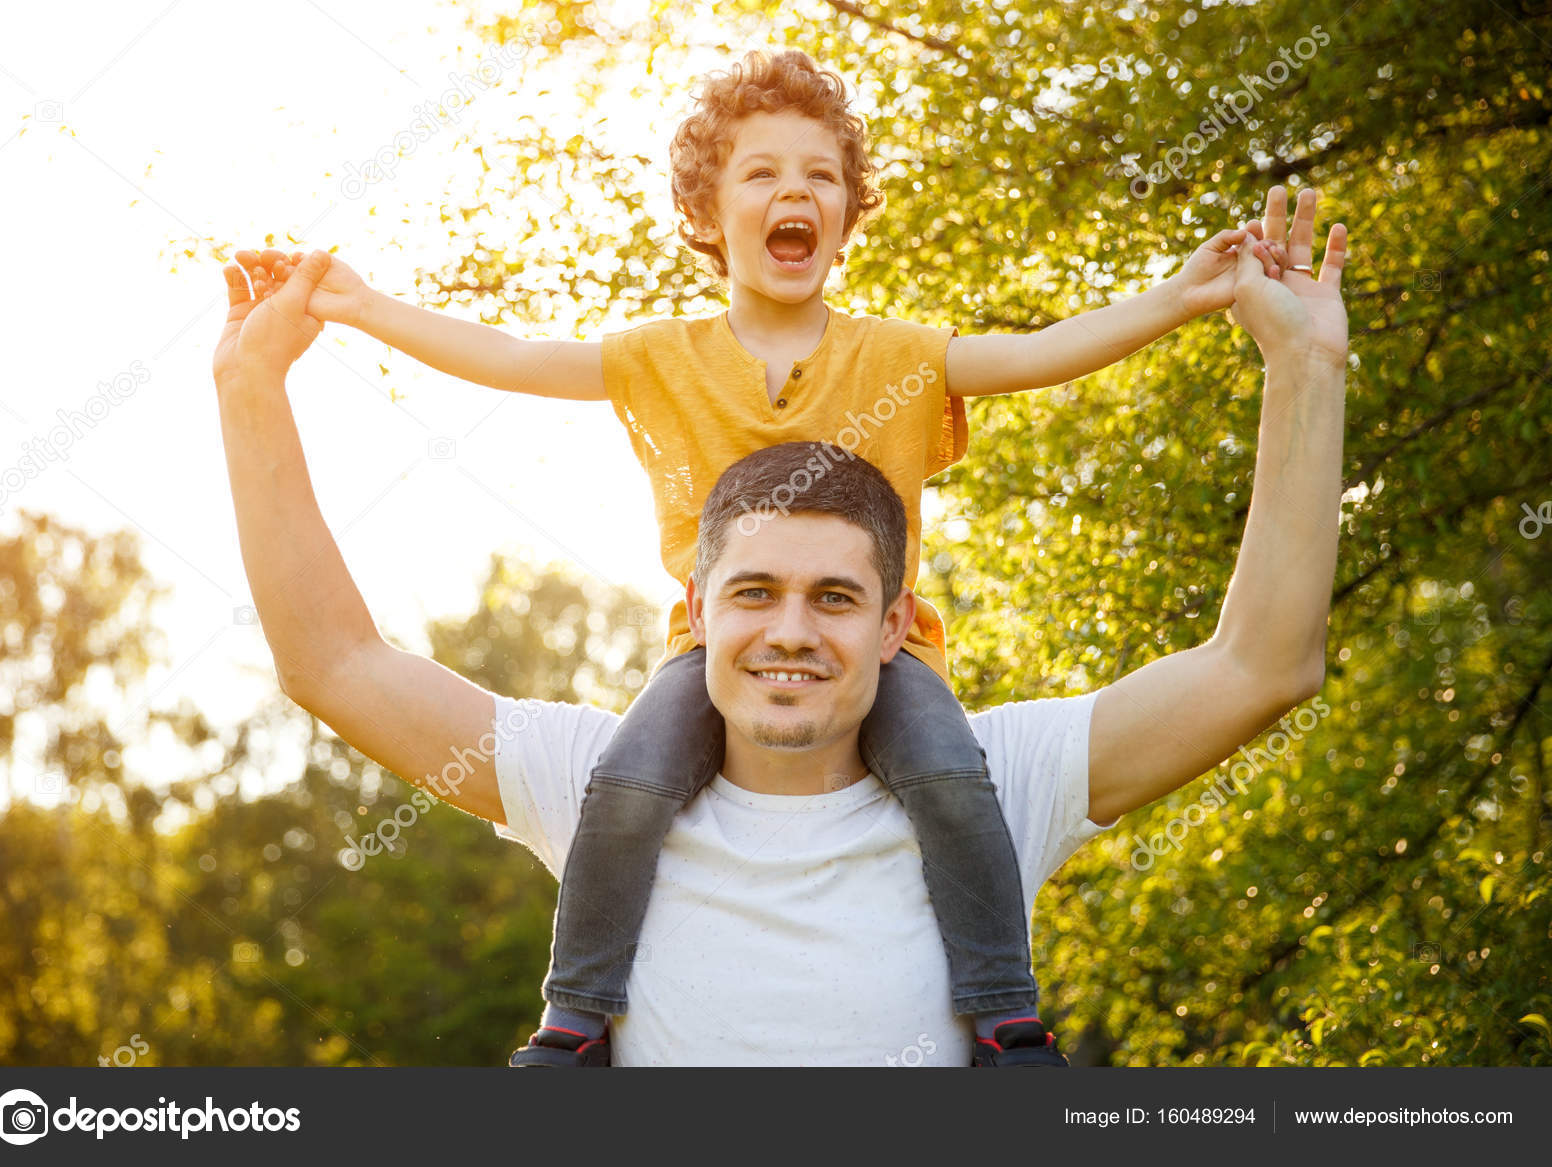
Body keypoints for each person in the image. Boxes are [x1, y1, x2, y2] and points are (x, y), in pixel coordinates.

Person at [235, 49, 1299, 1059]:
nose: (796, 191)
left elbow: (1034, 356)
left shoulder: (896, 356)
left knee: (950, 778)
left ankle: (1004, 1021)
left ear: (843, 219)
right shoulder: (661, 358)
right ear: (707, 213)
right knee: (628, 780)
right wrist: (360, 307)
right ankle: (574, 1020)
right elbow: (512, 359)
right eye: (762, 173)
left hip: (899, 669)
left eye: (821, 176)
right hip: (702, 660)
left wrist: (1176, 298)